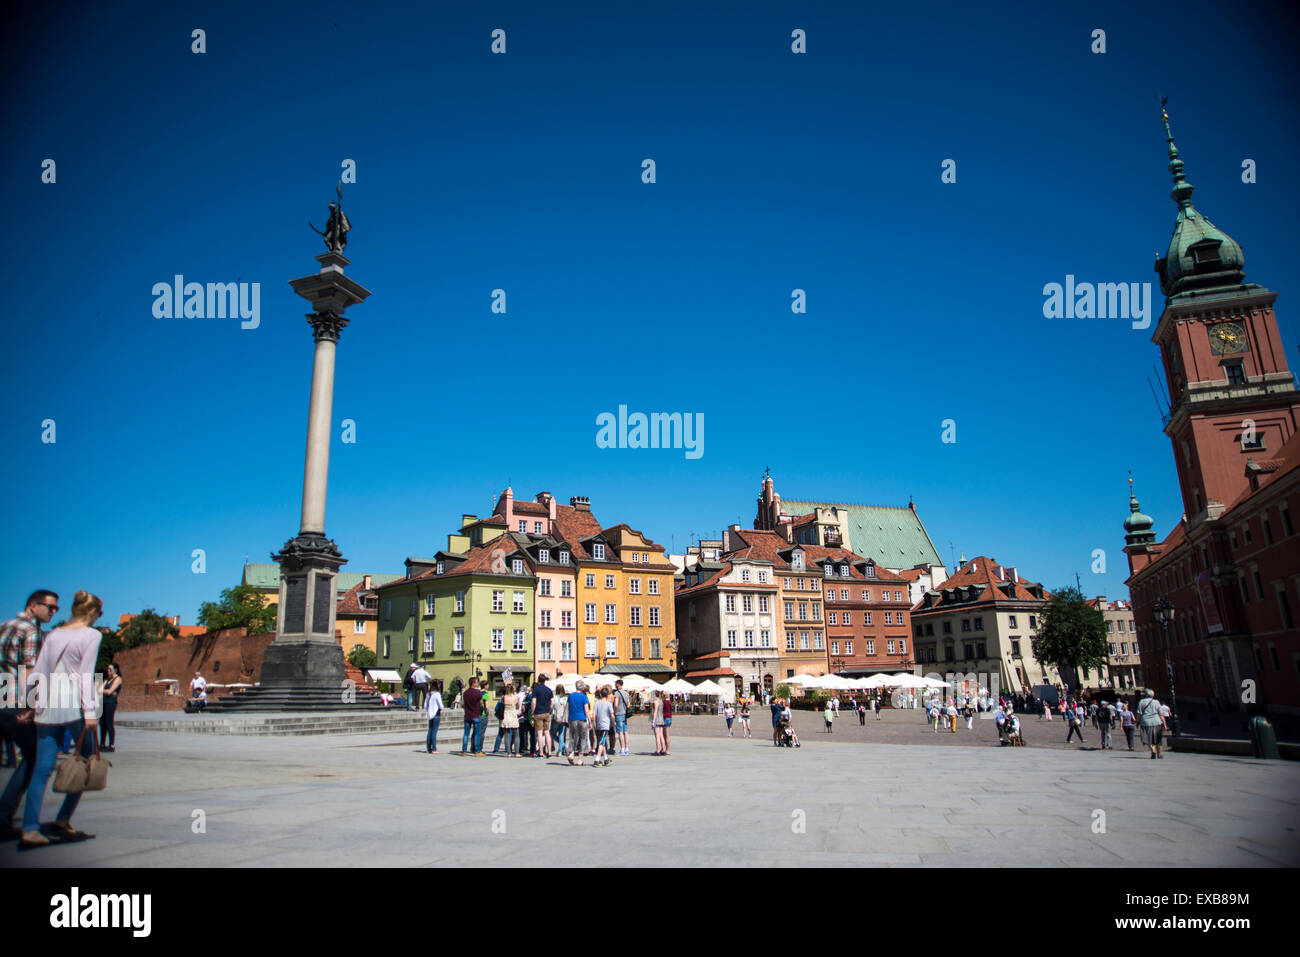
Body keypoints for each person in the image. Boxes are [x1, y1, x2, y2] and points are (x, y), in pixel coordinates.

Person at [19, 590, 105, 850]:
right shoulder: (92, 635)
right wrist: (90, 713)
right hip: (73, 705)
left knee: (41, 769)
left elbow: (39, 671)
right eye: (99, 614)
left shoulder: (54, 634)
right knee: (86, 762)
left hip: (47, 705)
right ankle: (63, 819)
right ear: (91, 613)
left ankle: (30, 829)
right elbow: (84, 675)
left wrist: (30, 706)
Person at [0, 589, 59, 839]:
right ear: (33, 606)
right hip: (14, 699)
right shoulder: (31, 631)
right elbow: (28, 670)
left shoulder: (5, 625)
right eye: (50, 607)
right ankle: (3, 816)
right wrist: (30, 706)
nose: (54, 612)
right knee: (34, 755)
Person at [566, 681, 591, 765]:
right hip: (582, 718)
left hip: (572, 718)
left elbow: (568, 707)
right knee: (582, 738)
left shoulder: (570, 696)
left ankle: (572, 753)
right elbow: (586, 710)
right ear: (582, 687)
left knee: (572, 737)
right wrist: (590, 721)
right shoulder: (584, 697)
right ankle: (580, 759)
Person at [1137, 689, 1165, 759]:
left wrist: (1137, 722)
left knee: (1147, 738)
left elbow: (1139, 713)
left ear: (1145, 694)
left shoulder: (1141, 702)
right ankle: (1159, 754)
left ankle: (1153, 751)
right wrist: (1165, 724)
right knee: (1158, 739)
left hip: (1146, 722)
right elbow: (1161, 714)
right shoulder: (1156, 702)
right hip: (1157, 722)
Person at [99, 663, 121, 752]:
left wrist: (103, 691)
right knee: (102, 723)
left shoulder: (118, 679)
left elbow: (109, 691)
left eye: (110, 669)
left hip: (111, 703)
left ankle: (111, 744)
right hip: (104, 703)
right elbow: (100, 690)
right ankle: (102, 743)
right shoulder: (107, 679)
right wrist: (105, 691)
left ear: (115, 670)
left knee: (109, 723)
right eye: (107, 669)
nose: (108, 671)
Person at [461, 677, 485, 755]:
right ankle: (477, 751)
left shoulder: (465, 693)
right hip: (476, 714)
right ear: (474, 683)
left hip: (467, 715)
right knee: (477, 734)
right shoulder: (477, 693)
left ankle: (464, 751)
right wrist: (481, 709)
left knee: (466, 734)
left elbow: (464, 704)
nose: (477, 684)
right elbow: (481, 703)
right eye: (477, 682)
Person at [531, 676, 553, 759]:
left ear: (538, 680)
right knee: (547, 732)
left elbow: (533, 702)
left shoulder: (535, 690)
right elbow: (552, 702)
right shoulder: (549, 690)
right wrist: (549, 710)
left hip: (538, 713)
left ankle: (541, 753)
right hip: (546, 713)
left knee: (539, 733)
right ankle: (549, 753)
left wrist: (532, 712)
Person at [592, 687, 614, 767]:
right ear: (608, 695)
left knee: (602, 741)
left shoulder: (597, 703)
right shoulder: (609, 704)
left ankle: (605, 758)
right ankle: (597, 759)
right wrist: (614, 722)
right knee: (602, 742)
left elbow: (594, 715)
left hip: (598, 725)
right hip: (605, 725)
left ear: (600, 694)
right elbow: (612, 715)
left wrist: (594, 723)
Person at [500, 683, 520, 757]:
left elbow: (501, 706)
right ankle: (517, 752)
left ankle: (508, 752)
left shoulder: (503, 697)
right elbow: (518, 707)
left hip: (506, 714)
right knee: (516, 735)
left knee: (507, 735)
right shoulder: (516, 697)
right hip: (513, 714)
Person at [425, 678, 444, 753]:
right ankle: (434, 748)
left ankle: (428, 747)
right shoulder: (437, 694)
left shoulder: (428, 694)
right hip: (436, 714)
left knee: (430, 730)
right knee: (434, 732)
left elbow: (425, 705)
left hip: (430, 714)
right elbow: (441, 706)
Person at [613, 679, 631, 756]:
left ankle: (622, 749)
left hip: (619, 713)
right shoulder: (626, 693)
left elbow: (616, 704)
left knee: (620, 732)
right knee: (625, 731)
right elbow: (628, 704)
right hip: (624, 714)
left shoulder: (617, 693)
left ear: (618, 684)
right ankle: (627, 748)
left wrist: (614, 712)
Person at [551, 683, 569, 756]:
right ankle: (560, 750)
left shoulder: (555, 698)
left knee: (552, 733)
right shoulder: (566, 698)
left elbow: (553, 708)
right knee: (561, 734)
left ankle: (564, 746)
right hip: (563, 718)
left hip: (556, 717)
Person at [651, 689, 667, 755]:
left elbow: (655, 712)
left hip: (657, 719)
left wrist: (653, 721)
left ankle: (658, 750)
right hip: (661, 718)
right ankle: (663, 749)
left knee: (657, 735)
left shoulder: (656, 702)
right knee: (661, 735)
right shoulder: (661, 701)